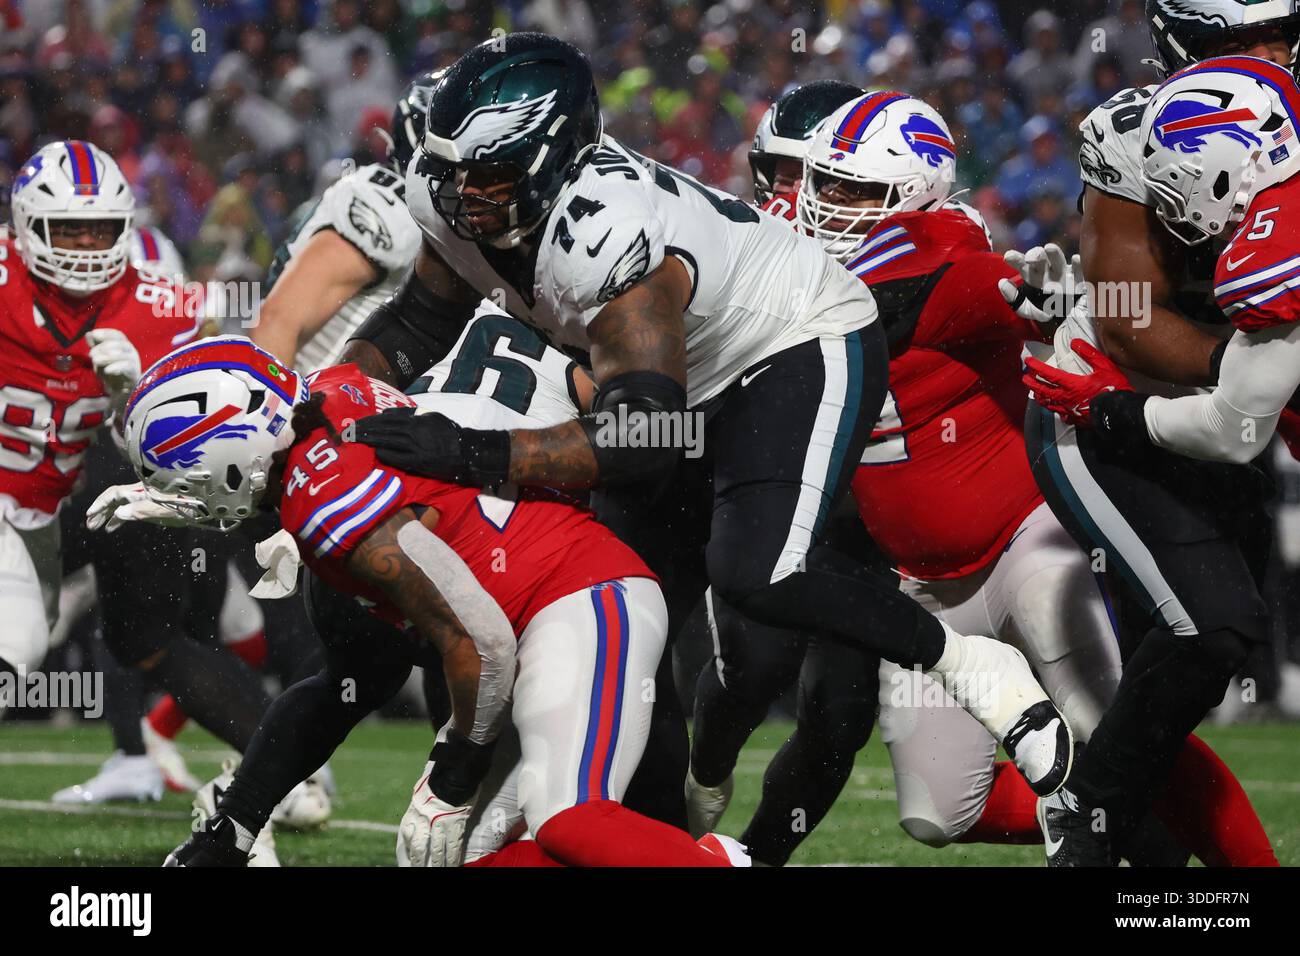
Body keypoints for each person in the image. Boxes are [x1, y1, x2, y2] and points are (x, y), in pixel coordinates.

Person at [347, 34, 1074, 829]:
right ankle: (656, 830)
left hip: (796, 340)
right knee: (628, 607)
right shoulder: (449, 198)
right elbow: (419, 316)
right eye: (448, 169)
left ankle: (970, 664)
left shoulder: (611, 241)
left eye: (486, 174)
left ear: (553, 160)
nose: (462, 194)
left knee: (758, 573)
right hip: (685, 385)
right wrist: (336, 393)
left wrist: (471, 453)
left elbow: (645, 437)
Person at [110, 335, 734, 868]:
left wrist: (450, 778)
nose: (184, 493)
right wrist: (180, 505)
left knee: (572, 820)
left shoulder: (331, 512)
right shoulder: (327, 393)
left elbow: (481, 643)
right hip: (538, 610)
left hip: (579, 596)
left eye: (184, 477)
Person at [1025, 54, 1300, 866]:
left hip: (1159, 418)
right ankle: (1089, 818)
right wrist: (1114, 409)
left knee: (1197, 655)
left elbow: (1238, 425)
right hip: (1128, 424)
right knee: (1209, 633)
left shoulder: (1277, 233)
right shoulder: (1142, 142)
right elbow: (1148, 339)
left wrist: (1119, 410)